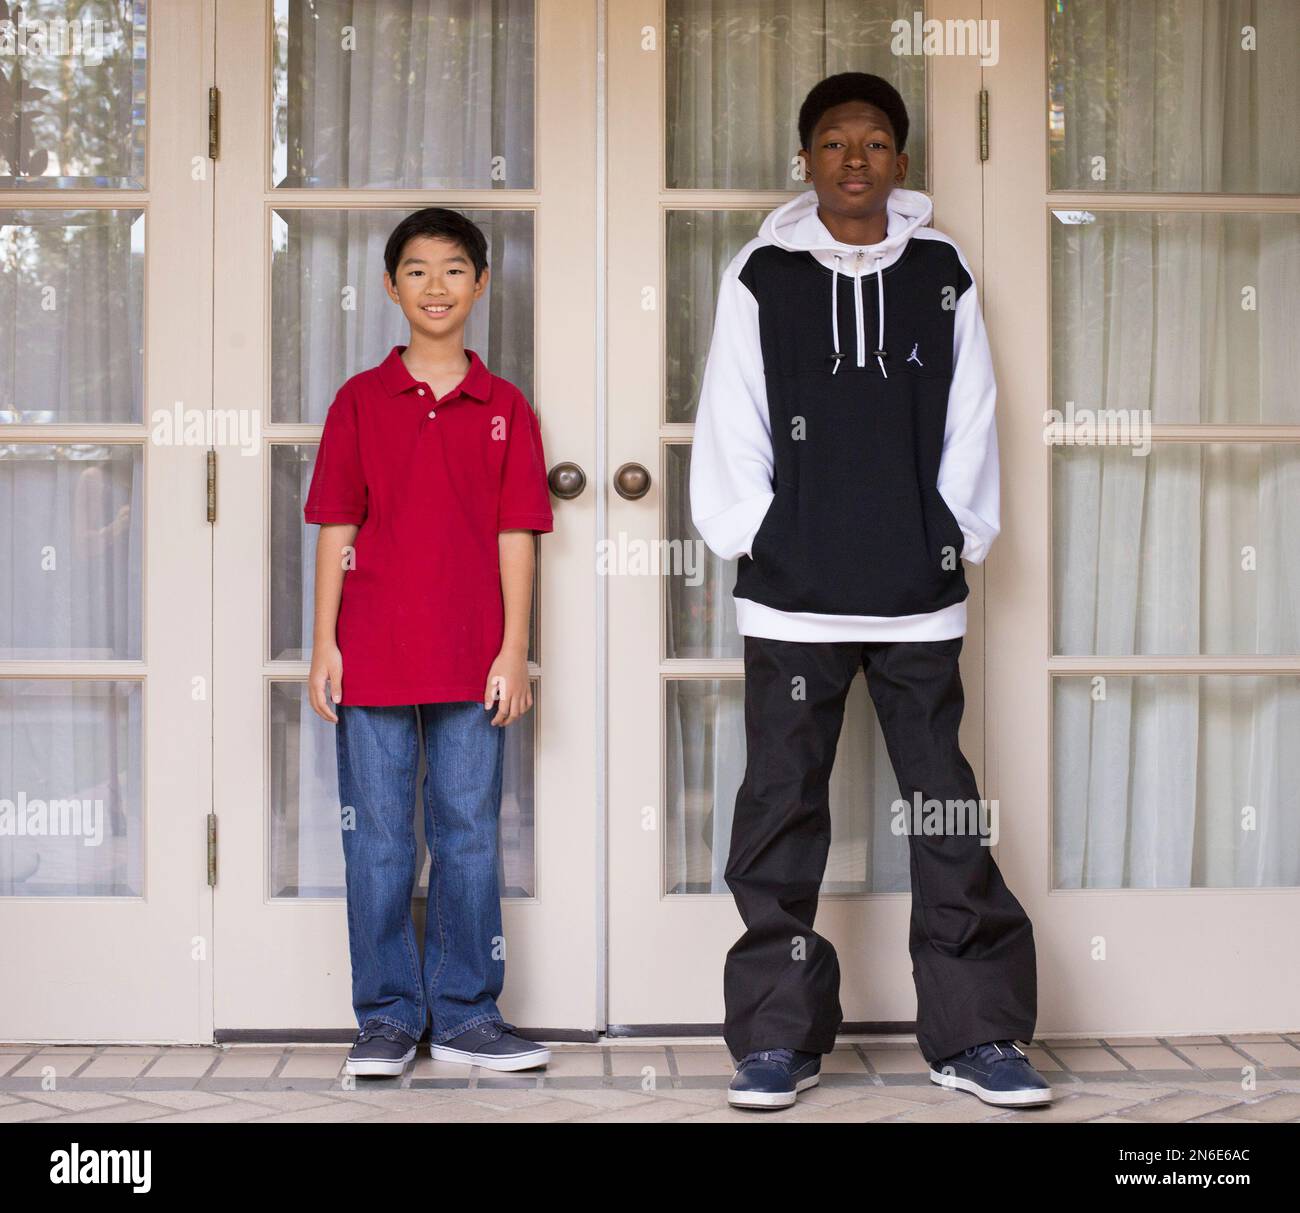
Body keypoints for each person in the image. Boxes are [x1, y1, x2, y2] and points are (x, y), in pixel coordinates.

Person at [689, 73, 1051, 1111]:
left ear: (900, 160)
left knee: (942, 808)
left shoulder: (942, 269)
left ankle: (978, 1036)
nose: (855, 158)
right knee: (781, 811)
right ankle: (776, 1038)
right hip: (791, 596)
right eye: (834, 142)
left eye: (877, 141)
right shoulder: (763, 272)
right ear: (805, 160)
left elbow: (972, 418)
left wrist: (952, 538)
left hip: (915, 594)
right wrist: (760, 540)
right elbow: (732, 419)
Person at [304, 208, 554, 1078]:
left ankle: (466, 1014)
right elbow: (338, 522)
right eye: (417, 270)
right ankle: (382, 1017)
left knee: (470, 833)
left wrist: (514, 648)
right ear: (390, 285)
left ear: (482, 284)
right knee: (375, 839)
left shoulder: (506, 406)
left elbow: (516, 531)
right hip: (370, 653)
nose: (436, 286)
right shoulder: (358, 401)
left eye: (455, 269)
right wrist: (323, 643)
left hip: (471, 656)